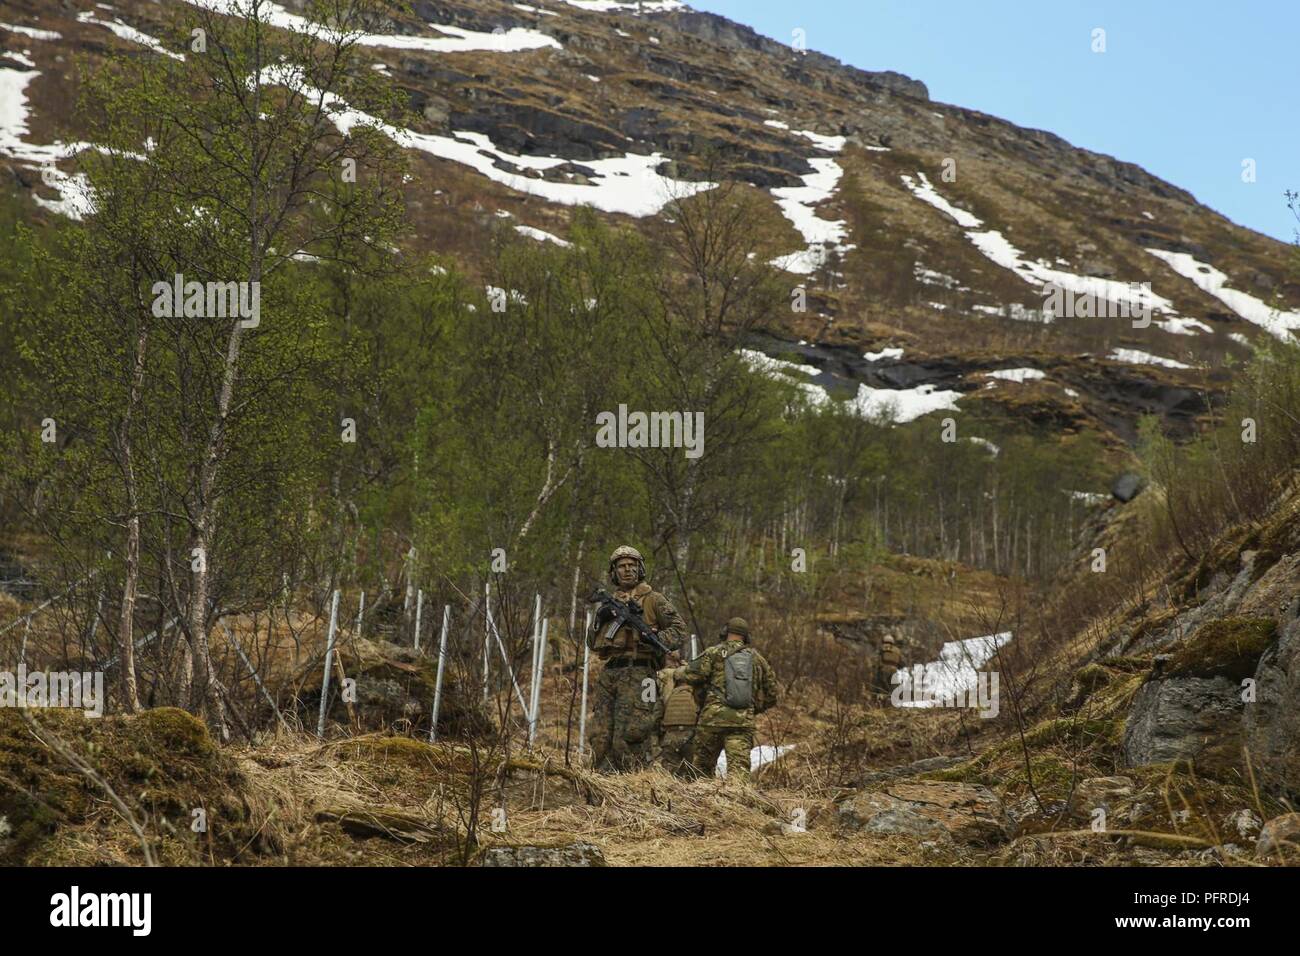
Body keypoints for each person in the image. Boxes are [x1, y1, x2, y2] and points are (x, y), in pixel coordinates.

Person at [587, 545, 686, 772]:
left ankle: (634, 783)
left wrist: (653, 638)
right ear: (614, 572)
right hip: (610, 673)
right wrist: (598, 621)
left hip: (642, 674)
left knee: (634, 732)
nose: (627, 570)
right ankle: (601, 782)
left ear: (640, 569)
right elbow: (593, 643)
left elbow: (679, 629)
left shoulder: (654, 599)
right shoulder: (608, 603)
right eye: (622, 566)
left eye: (632, 565)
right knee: (600, 734)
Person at [674, 617, 776, 785]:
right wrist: (751, 709)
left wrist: (676, 671)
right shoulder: (757, 659)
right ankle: (735, 807)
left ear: (725, 632)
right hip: (742, 723)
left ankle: (700, 806)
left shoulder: (713, 653)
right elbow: (772, 693)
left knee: (701, 770)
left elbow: (691, 675)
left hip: (711, 721)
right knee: (739, 774)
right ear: (746, 637)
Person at [657, 652, 700, 777]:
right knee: (694, 775)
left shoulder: (669, 695)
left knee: (671, 775)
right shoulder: (696, 694)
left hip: (670, 738)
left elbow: (657, 716)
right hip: (690, 736)